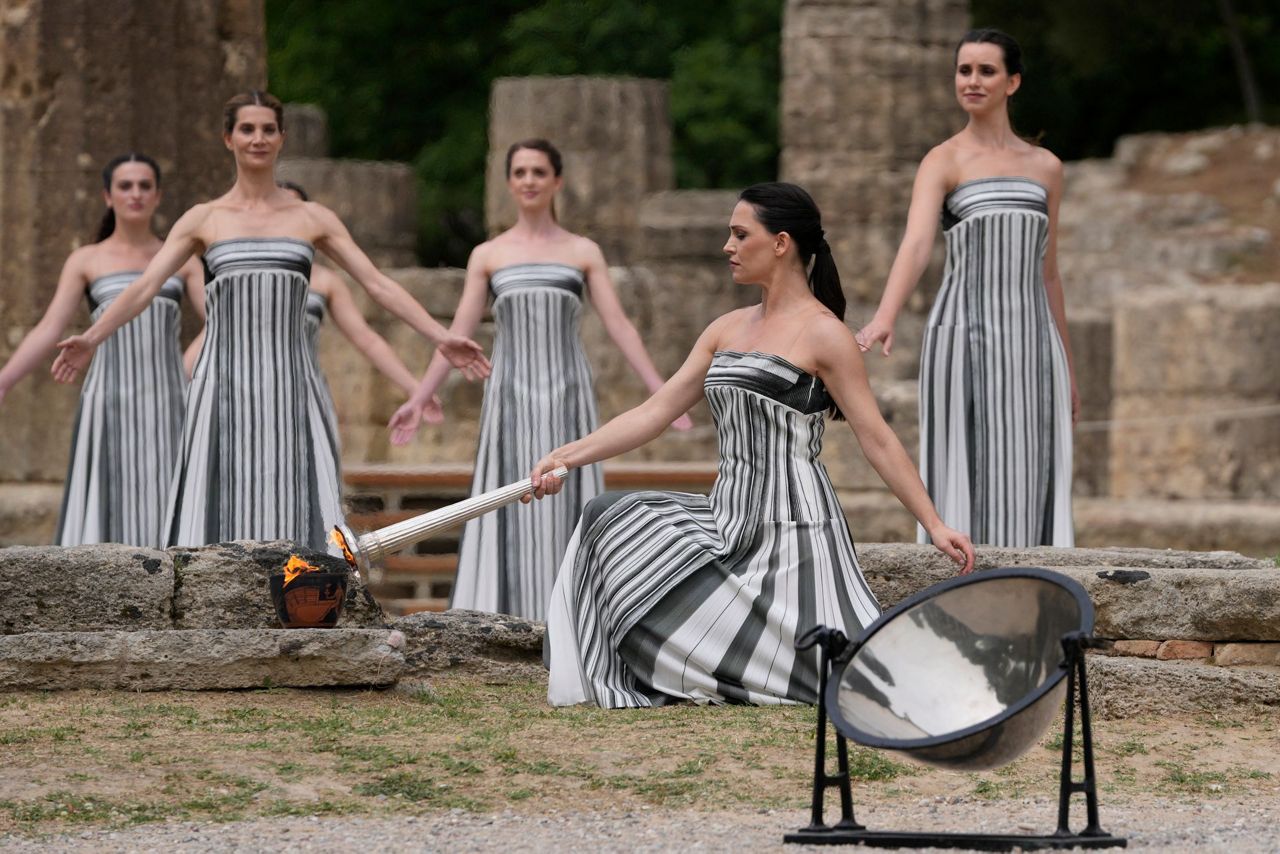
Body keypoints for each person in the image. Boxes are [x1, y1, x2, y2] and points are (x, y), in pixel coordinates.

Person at [527, 182, 975, 708]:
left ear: (781, 243)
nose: (728, 247)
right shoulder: (725, 328)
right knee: (607, 517)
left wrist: (934, 523)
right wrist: (567, 455)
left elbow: (876, 437)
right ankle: (693, 668)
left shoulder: (825, 334)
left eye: (741, 235)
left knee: (857, 682)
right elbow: (655, 412)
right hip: (727, 516)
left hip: (794, 531)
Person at [52, 91, 489, 550]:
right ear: (228, 139)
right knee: (217, 501)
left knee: (300, 500)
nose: (257, 138)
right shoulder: (203, 220)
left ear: (281, 138)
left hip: (292, 384)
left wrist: (441, 337)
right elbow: (142, 289)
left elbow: (377, 285)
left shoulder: (311, 218)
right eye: (247, 129)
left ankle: (309, 599)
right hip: (221, 386)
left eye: (267, 129)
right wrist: (92, 337)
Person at [389, 139, 691, 621]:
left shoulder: (582, 251)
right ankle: (500, 617)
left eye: (538, 172)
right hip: (508, 397)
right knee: (509, 498)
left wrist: (663, 391)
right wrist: (420, 396)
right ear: (509, 183)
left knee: (571, 497)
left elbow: (619, 325)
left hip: (569, 396)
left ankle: (576, 620)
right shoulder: (488, 254)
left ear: (557, 181)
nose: (529, 180)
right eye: (521, 172)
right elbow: (459, 333)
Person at [854, 28, 1077, 548]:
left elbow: (1049, 271)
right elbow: (915, 244)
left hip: (1033, 343)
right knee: (963, 470)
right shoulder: (943, 160)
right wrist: (885, 316)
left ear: (1012, 82)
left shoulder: (1047, 169)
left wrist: (1065, 363)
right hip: (962, 336)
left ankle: (1036, 601)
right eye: (964, 70)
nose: (972, 81)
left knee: (1032, 469)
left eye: (986, 71)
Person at [0, 153, 205, 547]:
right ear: (107, 196)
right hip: (108, 398)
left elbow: (217, 322)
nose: (135, 194)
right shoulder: (86, 259)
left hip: (168, 398)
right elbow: (49, 328)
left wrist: (185, 365)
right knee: (109, 499)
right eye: (125, 186)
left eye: (145, 186)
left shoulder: (181, 259)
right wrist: (6, 381)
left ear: (158, 196)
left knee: (166, 492)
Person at [276, 180, 427, 529]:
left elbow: (366, 339)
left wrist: (415, 389)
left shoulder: (326, 282)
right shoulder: (242, 273)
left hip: (306, 398)